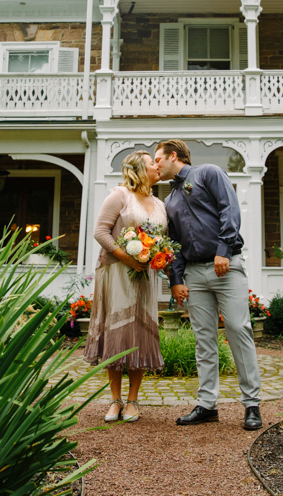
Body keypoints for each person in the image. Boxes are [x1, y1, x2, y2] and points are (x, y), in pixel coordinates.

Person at [154, 139, 263, 431]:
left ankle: (251, 404)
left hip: (226, 268)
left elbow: (229, 209)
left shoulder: (208, 173)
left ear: (173, 156)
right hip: (194, 273)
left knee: (239, 330)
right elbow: (173, 243)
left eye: (158, 160)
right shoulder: (169, 200)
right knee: (203, 338)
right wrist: (175, 280)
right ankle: (207, 405)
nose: (155, 166)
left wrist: (223, 250)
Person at [84, 151, 166, 423]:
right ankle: (115, 400)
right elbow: (100, 232)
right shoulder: (120, 195)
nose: (157, 165)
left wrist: (157, 256)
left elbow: (161, 240)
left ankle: (133, 400)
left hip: (145, 277)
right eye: (151, 162)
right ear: (139, 170)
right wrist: (127, 258)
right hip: (118, 272)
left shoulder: (160, 203)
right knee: (118, 333)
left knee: (140, 333)